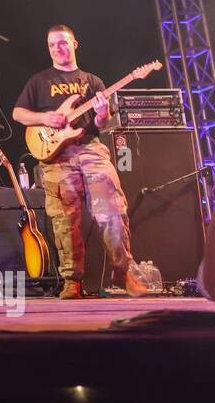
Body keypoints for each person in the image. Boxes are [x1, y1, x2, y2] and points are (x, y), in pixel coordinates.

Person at [12, 24, 149, 299]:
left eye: (62, 43)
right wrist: (45, 118)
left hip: (90, 149)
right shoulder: (40, 81)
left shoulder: (93, 81)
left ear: (75, 44)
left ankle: (123, 273)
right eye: (51, 45)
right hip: (57, 156)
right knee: (64, 220)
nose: (57, 48)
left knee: (111, 210)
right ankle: (72, 282)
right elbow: (18, 114)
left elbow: (102, 122)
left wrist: (100, 114)